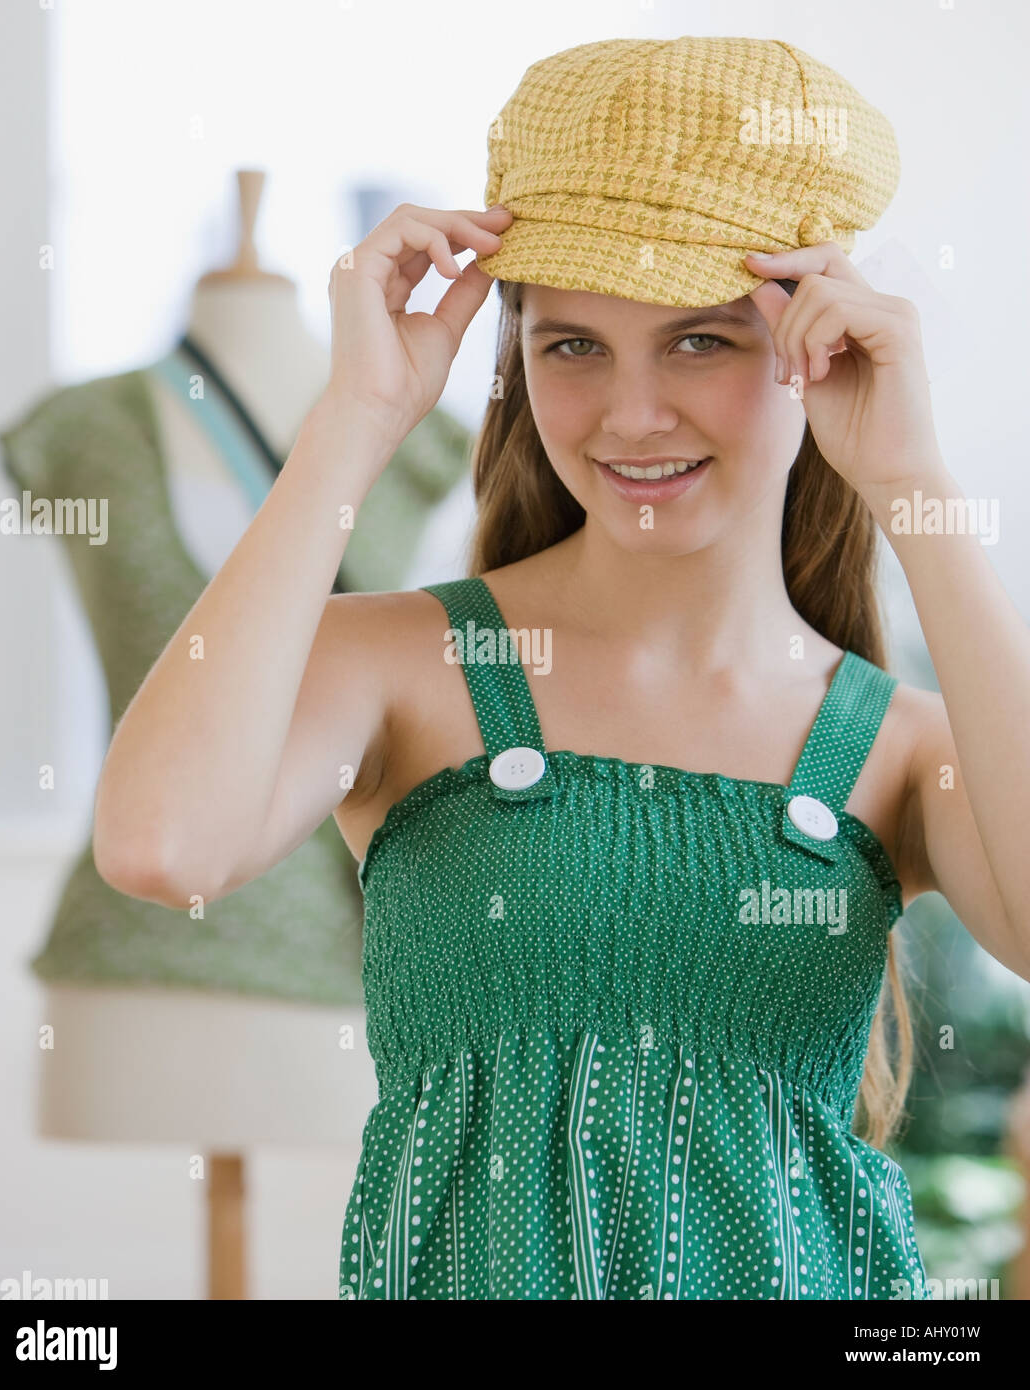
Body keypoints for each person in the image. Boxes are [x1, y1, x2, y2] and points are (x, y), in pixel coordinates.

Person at [93, 37, 1030, 1300]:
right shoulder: (404, 663)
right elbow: (162, 846)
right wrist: (351, 424)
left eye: (700, 342)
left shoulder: (895, 743)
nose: (630, 414)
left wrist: (913, 485)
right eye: (571, 346)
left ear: (820, 344)